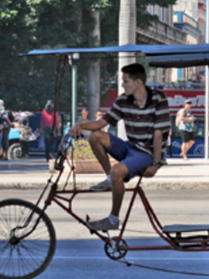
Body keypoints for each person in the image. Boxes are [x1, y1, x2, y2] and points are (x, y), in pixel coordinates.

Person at [67, 63, 169, 232]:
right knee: (95, 136)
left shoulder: (158, 98)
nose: (122, 84)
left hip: (147, 153)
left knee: (117, 171)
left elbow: (159, 133)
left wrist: (156, 163)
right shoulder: (123, 100)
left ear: (137, 83)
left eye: (126, 81)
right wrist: (81, 125)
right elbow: (102, 122)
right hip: (131, 147)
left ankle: (113, 219)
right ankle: (109, 179)